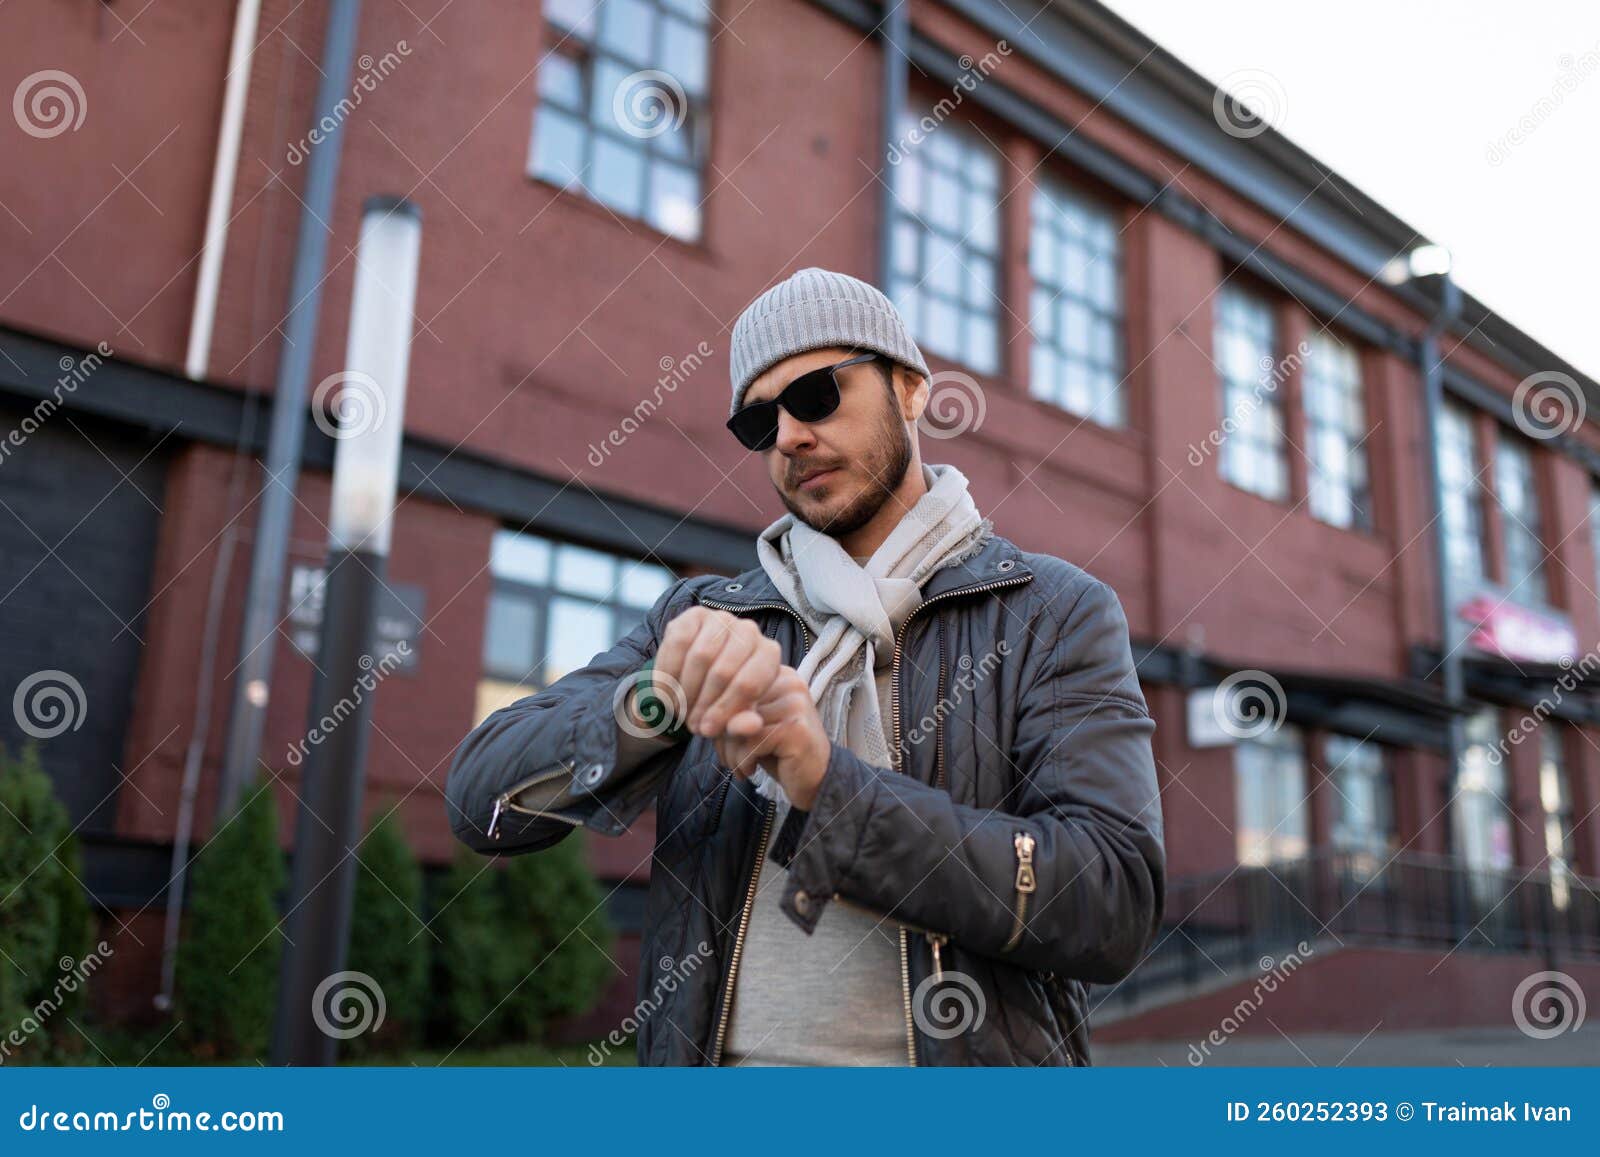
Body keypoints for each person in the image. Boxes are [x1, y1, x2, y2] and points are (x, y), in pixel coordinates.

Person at [446, 267, 1165, 1066]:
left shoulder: (1051, 613)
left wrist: (830, 790)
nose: (789, 434)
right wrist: (652, 702)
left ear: (911, 389)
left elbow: (1113, 900)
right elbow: (482, 805)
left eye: (818, 393)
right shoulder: (706, 619)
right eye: (760, 421)